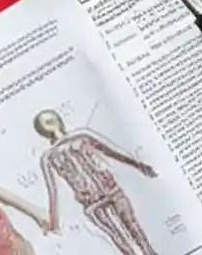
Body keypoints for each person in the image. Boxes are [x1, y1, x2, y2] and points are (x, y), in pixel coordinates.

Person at [33, 109, 159, 255]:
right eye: (46, 122)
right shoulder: (48, 157)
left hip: (112, 190)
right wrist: (54, 221)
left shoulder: (82, 137)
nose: (51, 123)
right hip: (92, 203)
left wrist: (138, 165)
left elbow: (110, 152)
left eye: (52, 118)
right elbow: (52, 190)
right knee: (117, 236)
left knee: (133, 227)